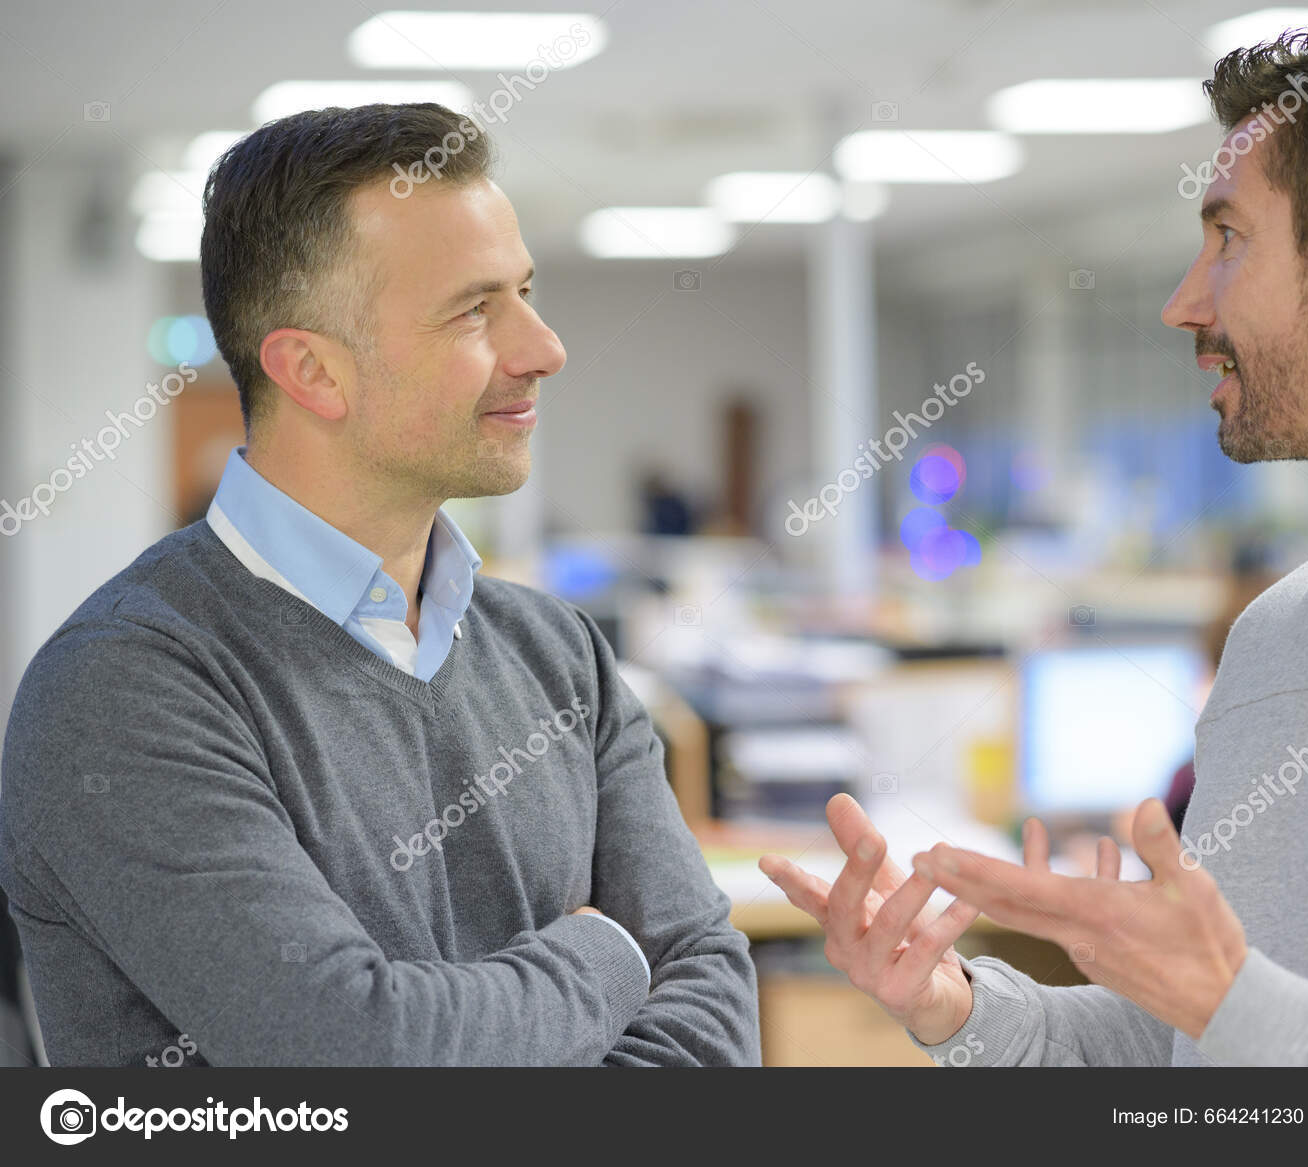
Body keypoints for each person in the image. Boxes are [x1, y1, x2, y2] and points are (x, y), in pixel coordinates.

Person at [762, 24, 1308, 1065]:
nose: (1182, 302)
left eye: (1229, 238)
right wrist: (963, 1010)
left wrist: (1234, 1007)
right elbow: (1189, 1046)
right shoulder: (1273, 636)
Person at [0, 103, 759, 1066]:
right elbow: (356, 1052)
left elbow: (712, 1009)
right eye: (475, 309)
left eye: (525, 292)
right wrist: (607, 956)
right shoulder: (122, 690)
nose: (544, 347)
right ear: (313, 371)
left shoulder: (561, 655)